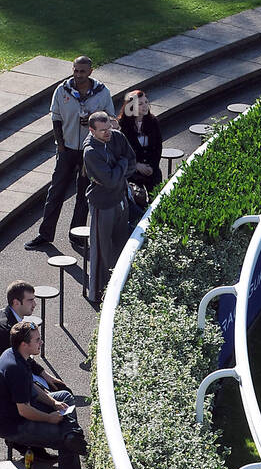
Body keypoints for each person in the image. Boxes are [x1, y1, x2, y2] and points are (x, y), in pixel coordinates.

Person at [25, 56, 115, 251]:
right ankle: (45, 234)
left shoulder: (102, 92)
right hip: (66, 150)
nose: (78, 75)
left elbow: (111, 119)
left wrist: (93, 121)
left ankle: (77, 236)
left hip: (89, 152)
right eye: (75, 70)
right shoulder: (62, 90)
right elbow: (56, 117)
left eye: (82, 71)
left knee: (83, 193)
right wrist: (60, 145)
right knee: (55, 192)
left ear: (90, 72)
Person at [0, 322, 86, 469]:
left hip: (23, 412)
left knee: (64, 397)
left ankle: (72, 433)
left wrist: (53, 402)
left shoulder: (15, 354)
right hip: (15, 425)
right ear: (24, 345)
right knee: (64, 441)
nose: (41, 343)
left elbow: (31, 386)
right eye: (37, 340)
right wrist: (49, 418)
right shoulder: (15, 368)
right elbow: (24, 410)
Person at [82, 111, 136, 305]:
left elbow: (132, 162)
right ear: (92, 130)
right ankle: (96, 294)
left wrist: (118, 170)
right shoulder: (90, 151)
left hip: (120, 199)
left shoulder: (117, 136)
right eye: (103, 130)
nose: (108, 133)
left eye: (109, 128)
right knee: (101, 251)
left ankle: (119, 289)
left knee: (121, 246)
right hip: (102, 205)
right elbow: (111, 179)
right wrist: (121, 165)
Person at [0, 282, 71, 401]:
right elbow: (18, 366)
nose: (34, 304)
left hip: (18, 373)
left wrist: (44, 374)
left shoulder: (7, 316)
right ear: (16, 302)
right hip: (11, 388)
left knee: (59, 388)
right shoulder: (6, 331)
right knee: (64, 395)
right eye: (30, 300)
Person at [118, 91, 163, 192]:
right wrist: (136, 165)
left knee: (156, 197)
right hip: (132, 171)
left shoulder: (153, 121)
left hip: (151, 168)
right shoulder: (122, 125)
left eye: (146, 102)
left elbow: (158, 147)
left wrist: (152, 166)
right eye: (140, 104)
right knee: (137, 201)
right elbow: (121, 152)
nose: (145, 106)